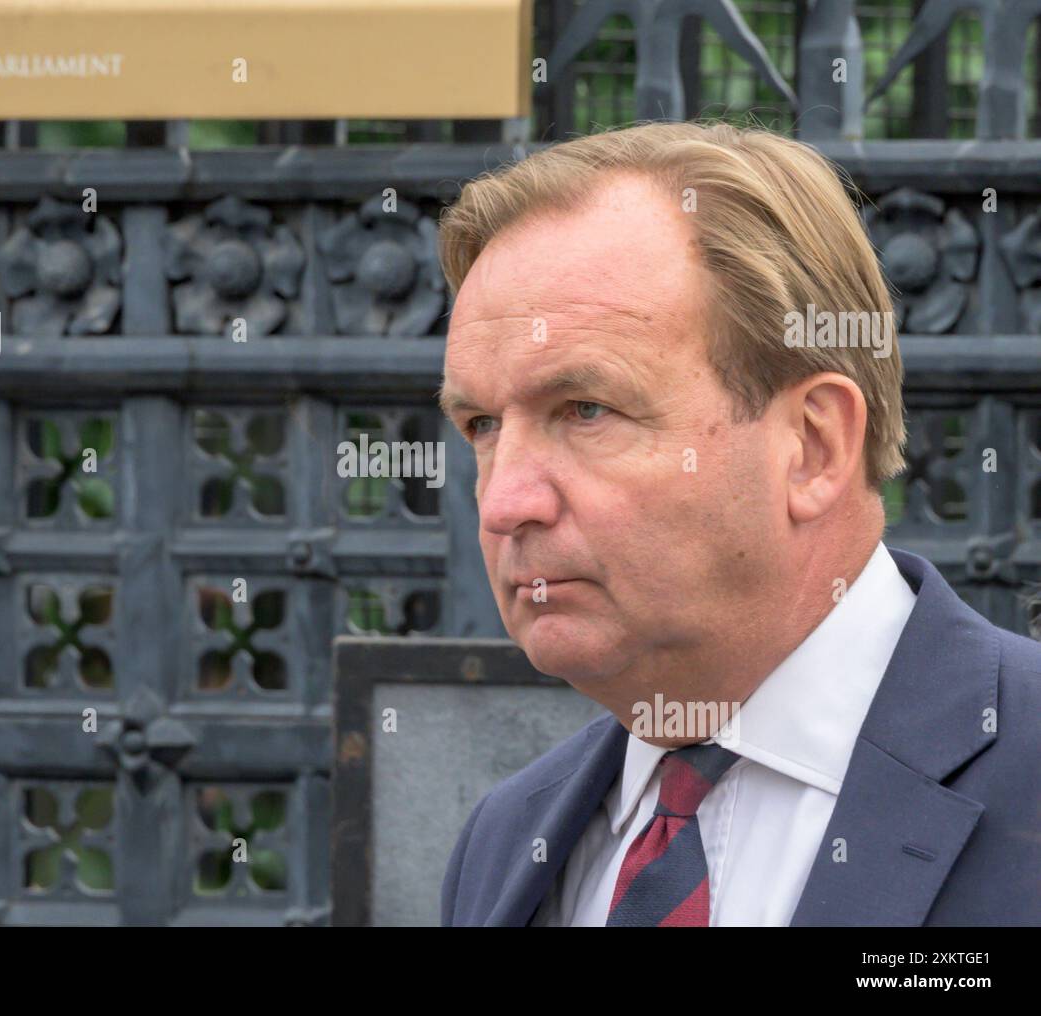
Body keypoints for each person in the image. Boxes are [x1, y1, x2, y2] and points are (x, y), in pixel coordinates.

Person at [435, 121, 1041, 926]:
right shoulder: (505, 841)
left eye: (585, 410)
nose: (506, 502)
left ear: (813, 445)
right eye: (481, 425)